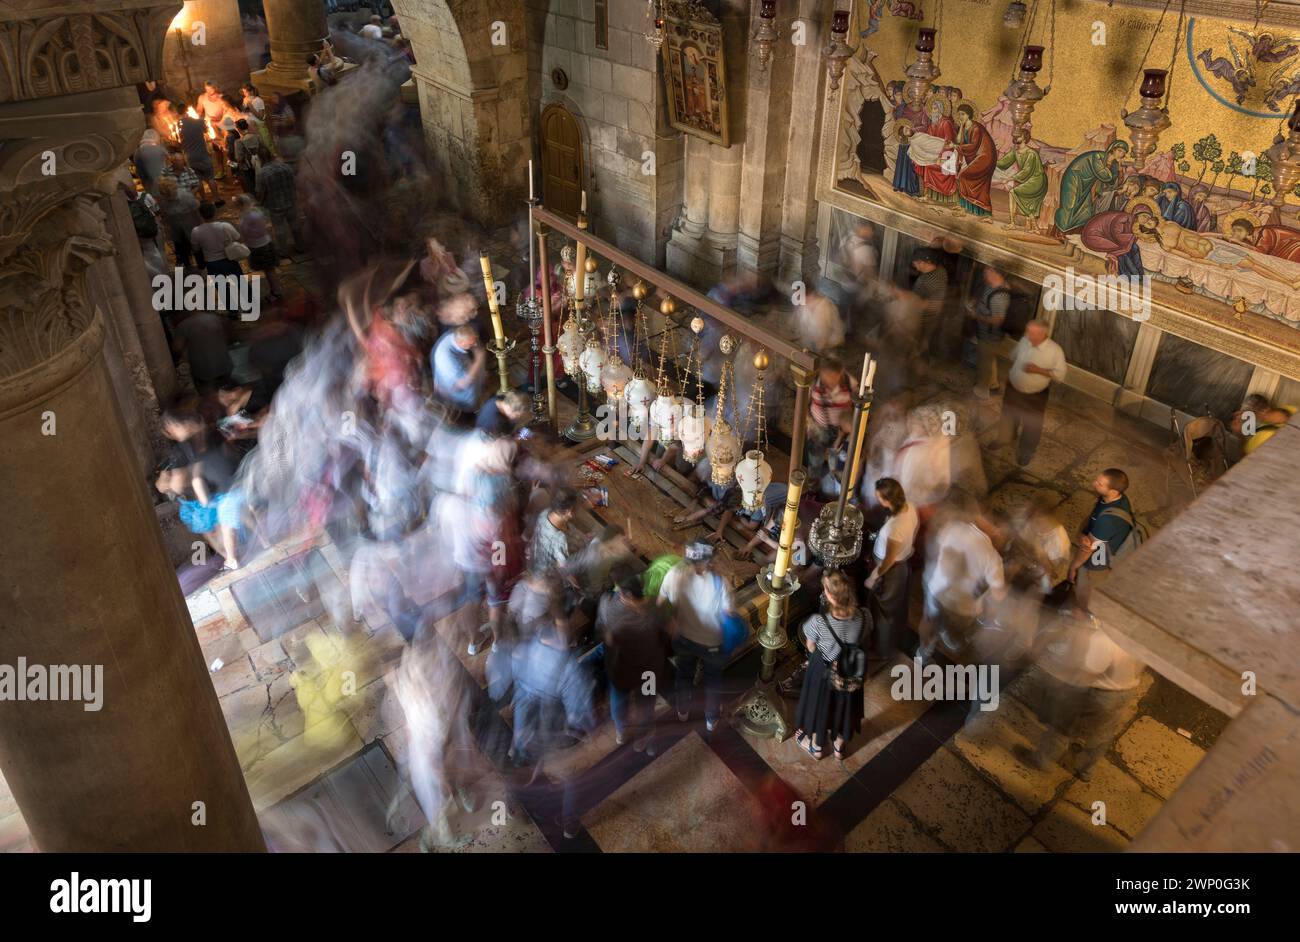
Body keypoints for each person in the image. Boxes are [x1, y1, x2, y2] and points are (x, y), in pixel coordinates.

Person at [1017, 604, 1146, 780]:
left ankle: (1043, 761)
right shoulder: (1140, 637)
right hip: (1127, 689)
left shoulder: (1104, 640)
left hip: (1101, 692)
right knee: (1103, 734)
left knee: (1063, 725)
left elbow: (1086, 676)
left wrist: (1060, 677)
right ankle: (1086, 770)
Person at [792, 570, 870, 762]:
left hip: (824, 670)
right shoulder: (863, 615)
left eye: (826, 589)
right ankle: (839, 747)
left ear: (830, 596)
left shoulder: (818, 622)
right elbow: (863, 637)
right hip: (851, 669)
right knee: (845, 708)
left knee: (821, 706)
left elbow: (810, 645)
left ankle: (817, 747)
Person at [658, 539, 735, 731]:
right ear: (706, 562)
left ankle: (683, 710)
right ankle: (711, 719)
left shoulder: (674, 574)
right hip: (712, 643)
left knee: (684, 675)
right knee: (712, 680)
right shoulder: (720, 582)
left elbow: (660, 602)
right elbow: (730, 612)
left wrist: (670, 623)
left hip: (683, 638)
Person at [920, 498, 1007, 659]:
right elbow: (998, 594)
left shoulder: (953, 528)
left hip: (937, 590)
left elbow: (936, 550)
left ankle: (924, 651)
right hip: (962, 606)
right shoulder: (992, 558)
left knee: (930, 620)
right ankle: (949, 635)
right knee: (956, 628)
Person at [598, 575, 671, 752]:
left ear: (622, 594)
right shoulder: (653, 610)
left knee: (620, 700)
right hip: (647, 669)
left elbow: (602, 633)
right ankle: (642, 736)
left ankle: (622, 732)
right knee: (645, 703)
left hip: (621, 669)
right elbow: (666, 636)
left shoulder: (607, 605)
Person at [996, 318, 1066, 465]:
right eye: (1027, 331)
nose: (1027, 334)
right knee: (1008, 415)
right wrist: (1011, 376)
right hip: (1013, 388)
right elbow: (1014, 357)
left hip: (1035, 395)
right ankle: (1005, 438)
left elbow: (1060, 375)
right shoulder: (1025, 340)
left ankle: (1026, 452)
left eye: (1031, 332)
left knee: (1032, 424)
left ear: (1043, 334)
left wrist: (1038, 370)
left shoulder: (1055, 350)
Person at [865, 477, 916, 660]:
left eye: (879, 497)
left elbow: (888, 559)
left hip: (890, 572)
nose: (877, 499)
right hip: (900, 565)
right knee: (890, 609)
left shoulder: (895, 529)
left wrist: (873, 576)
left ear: (887, 500)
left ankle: (881, 652)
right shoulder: (909, 506)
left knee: (883, 613)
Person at [1068, 468, 1132, 611]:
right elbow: (1093, 516)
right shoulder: (1115, 499)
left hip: (1099, 559)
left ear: (1113, 492)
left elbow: (1088, 548)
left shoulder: (1109, 520)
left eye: (1100, 484)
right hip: (1099, 544)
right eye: (1097, 480)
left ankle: (1083, 609)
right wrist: (1080, 533)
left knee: (1084, 582)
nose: (1094, 484)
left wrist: (1073, 567)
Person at [965, 266, 1009, 399]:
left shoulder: (1000, 297)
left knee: (984, 364)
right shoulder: (992, 285)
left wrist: (976, 316)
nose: (984, 274)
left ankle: (981, 392)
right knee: (989, 359)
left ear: (996, 274)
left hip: (990, 335)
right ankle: (993, 385)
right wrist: (975, 304)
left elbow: (998, 320)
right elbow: (985, 300)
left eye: (988, 272)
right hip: (984, 331)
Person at [172, 308, 233, 392]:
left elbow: (177, 348)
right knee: (227, 392)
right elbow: (228, 338)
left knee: (208, 397)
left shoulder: (183, 325)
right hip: (224, 366)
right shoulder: (217, 319)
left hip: (203, 372)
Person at [255, 153, 304, 257]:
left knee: (279, 229)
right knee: (295, 225)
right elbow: (295, 182)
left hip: (275, 205)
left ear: (261, 159)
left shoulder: (262, 173)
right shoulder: (286, 167)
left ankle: (283, 251)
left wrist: (261, 202)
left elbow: (259, 192)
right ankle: (301, 246)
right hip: (291, 201)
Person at [235, 194, 282, 300]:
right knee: (269, 270)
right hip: (262, 244)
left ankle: (276, 292)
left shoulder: (250, 216)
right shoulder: (253, 212)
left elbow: (252, 232)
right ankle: (275, 290)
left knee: (269, 271)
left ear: (241, 204)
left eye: (237, 205)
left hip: (260, 247)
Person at [432, 323, 486, 414]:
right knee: (467, 411)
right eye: (472, 343)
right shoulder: (446, 358)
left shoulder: (454, 336)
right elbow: (462, 383)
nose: (476, 344)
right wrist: (479, 360)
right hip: (457, 394)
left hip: (463, 376)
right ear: (461, 343)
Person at [911, 248, 949, 358]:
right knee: (923, 343)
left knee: (918, 345)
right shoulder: (941, 270)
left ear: (924, 263)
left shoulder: (928, 282)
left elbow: (934, 304)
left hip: (923, 319)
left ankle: (918, 367)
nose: (914, 265)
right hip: (930, 318)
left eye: (916, 263)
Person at [190, 201, 244, 279]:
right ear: (215, 212)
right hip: (229, 258)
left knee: (222, 289)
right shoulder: (225, 226)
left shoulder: (195, 231)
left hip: (211, 263)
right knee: (242, 285)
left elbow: (196, 249)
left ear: (200, 215)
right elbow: (239, 239)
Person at [178, 107, 221, 206]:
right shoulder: (199, 121)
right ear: (187, 112)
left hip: (190, 156)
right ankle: (217, 199)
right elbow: (207, 132)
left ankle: (204, 200)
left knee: (198, 179)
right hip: (203, 154)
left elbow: (179, 139)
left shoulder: (179, 124)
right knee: (210, 177)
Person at [156, 175, 201, 268]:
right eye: (165, 195)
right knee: (181, 249)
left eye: (169, 194)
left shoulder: (185, 196)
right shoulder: (163, 200)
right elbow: (164, 213)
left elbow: (196, 208)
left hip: (190, 226)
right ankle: (188, 266)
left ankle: (201, 266)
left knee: (196, 249)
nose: (168, 197)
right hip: (175, 228)